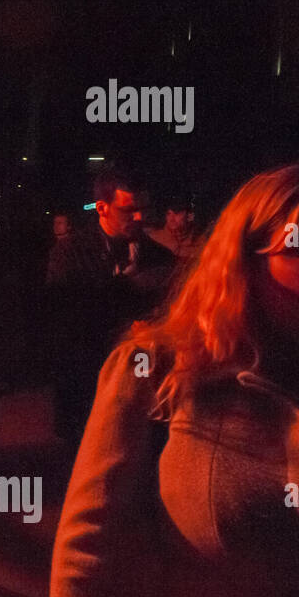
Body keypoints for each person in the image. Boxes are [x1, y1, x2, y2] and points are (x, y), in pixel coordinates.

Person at [51, 151, 299, 597]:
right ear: (246, 259)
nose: (140, 217)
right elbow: (86, 563)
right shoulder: (154, 363)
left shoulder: (157, 259)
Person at [45, 169, 175, 445]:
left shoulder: (162, 258)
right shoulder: (69, 254)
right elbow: (63, 323)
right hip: (86, 387)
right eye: (129, 210)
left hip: (142, 392)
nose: (139, 217)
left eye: (143, 209)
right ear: (102, 208)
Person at [146, 195, 200, 262]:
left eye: (177, 214)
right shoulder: (156, 239)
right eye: (169, 214)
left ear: (189, 216)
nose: (171, 219)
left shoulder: (200, 238)